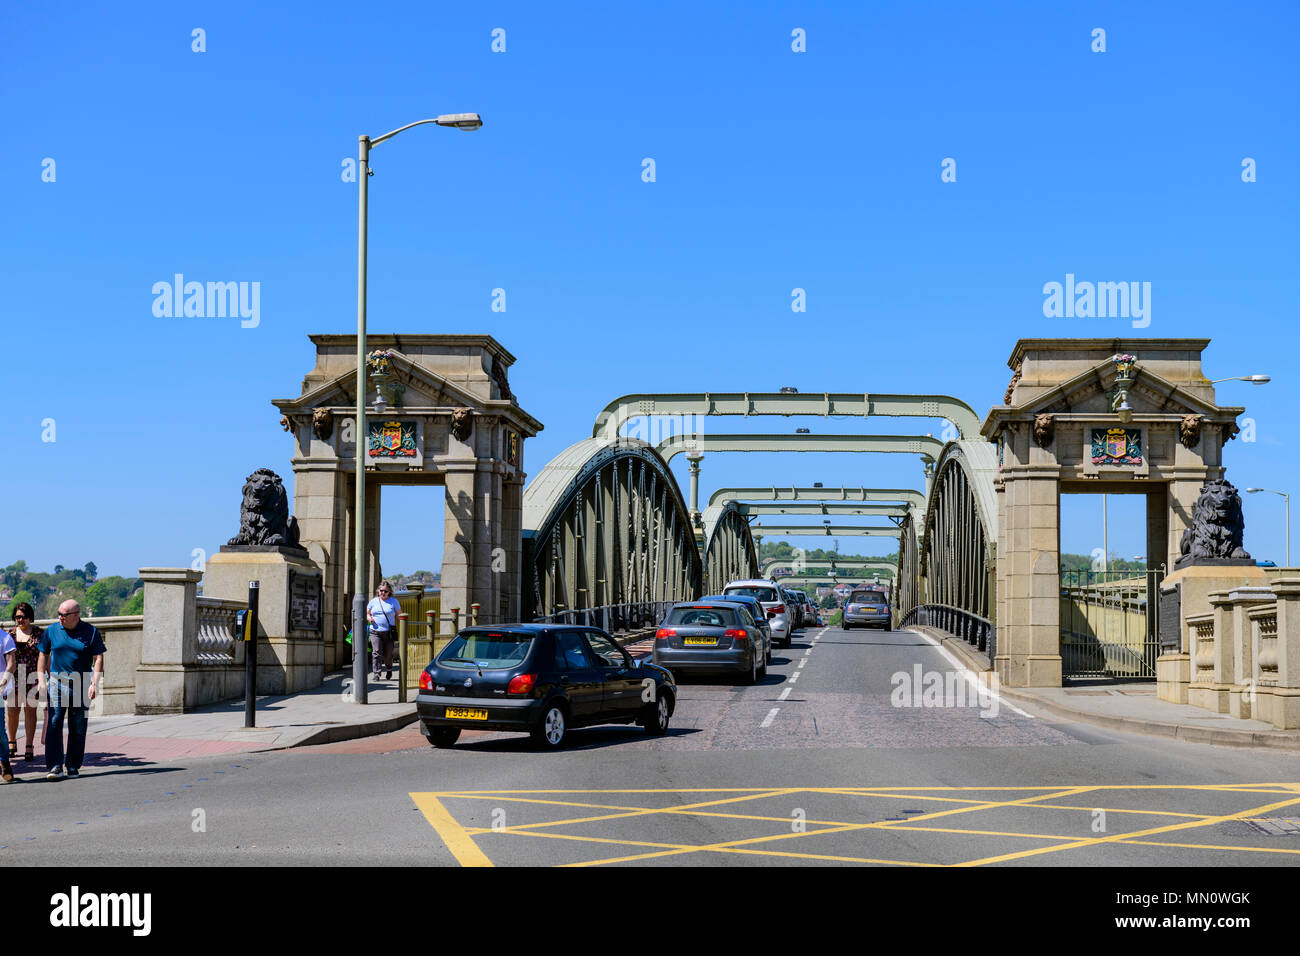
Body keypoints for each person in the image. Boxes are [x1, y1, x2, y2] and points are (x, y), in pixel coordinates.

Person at [37, 600, 105, 781]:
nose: (60, 617)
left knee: (78, 726)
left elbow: (98, 657)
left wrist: (94, 683)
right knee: (54, 723)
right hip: (57, 683)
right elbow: (43, 653)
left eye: (63, 615)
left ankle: (73, 765)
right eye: (58, 613)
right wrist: (41, 679)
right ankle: (55, 766)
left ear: (75, 615)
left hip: (81, 683)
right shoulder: (51, 630)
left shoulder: (90, 632)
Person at [7, 603, 42, 762]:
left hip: (32, 676)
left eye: (23, 616)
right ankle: (12, 741)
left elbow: (45, 656)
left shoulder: (39, 634)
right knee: (12, 712)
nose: (20, 620)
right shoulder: (10, 635)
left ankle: (29, 745)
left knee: (30, 712)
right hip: (14, 677)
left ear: (30, 617)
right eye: (17, 617)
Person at [366, 582, 400, 681]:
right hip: (375, 631)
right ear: (378, 591)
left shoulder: (394, 601)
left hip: (388, 632)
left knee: (388, 655)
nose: (383, 593)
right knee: (376, 652)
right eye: (381, 590)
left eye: (385, 591)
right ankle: (377, 674)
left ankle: (389, 669)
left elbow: (399, 615)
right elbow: (367, 613)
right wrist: (369, 618)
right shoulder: (373, 601)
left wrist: (403, 625)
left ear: (389, 592)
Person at [0, 628, 16, 783]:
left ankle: (4, 761)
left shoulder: (4, 638)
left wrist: (3, 683)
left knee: (0, 733)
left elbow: (11, 664)